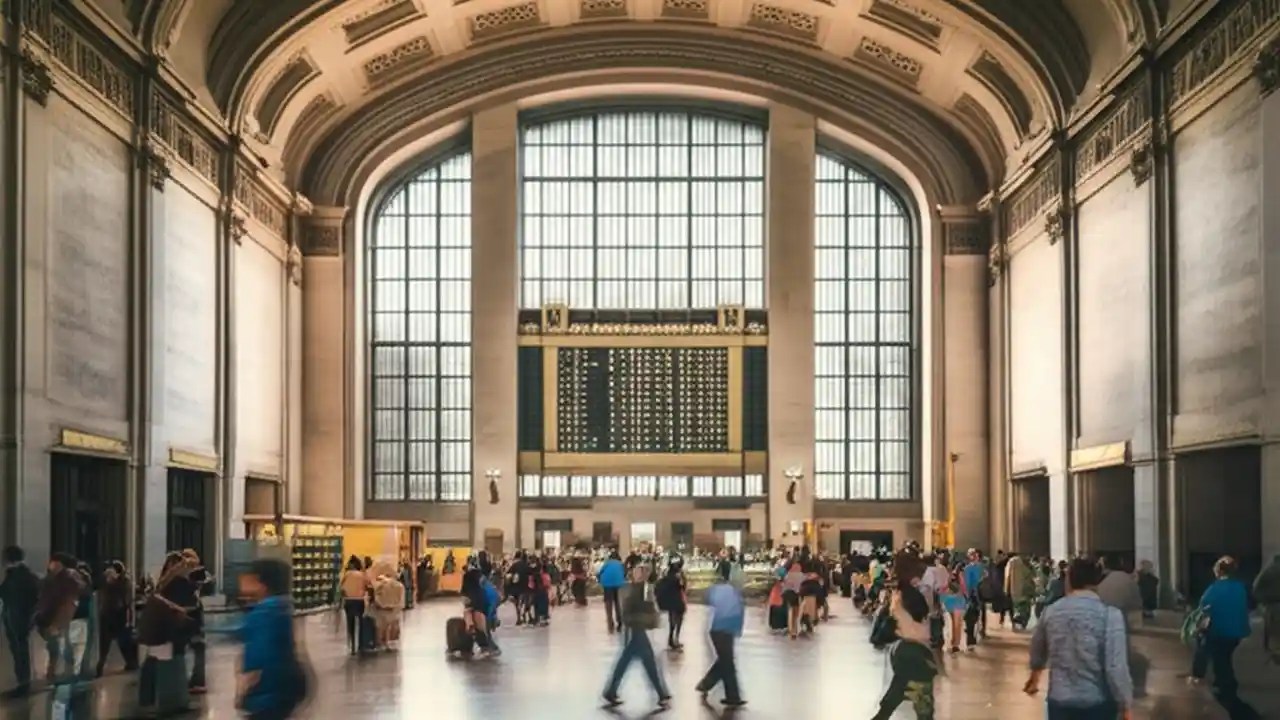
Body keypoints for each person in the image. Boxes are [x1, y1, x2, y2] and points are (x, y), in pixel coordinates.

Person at [1024, 557, 1133, 720]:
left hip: (1059, 701)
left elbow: (1037, 649)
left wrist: (1034, 677)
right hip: (1097, 703)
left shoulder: (1051, 612)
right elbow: (1115, 666)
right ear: (1097, 582)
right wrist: (1125, 704)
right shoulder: (1110, 615)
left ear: (1069, 580)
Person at [233, 558, 309, 719]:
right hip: (284, 688)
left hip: (265, 694)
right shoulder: (280, 607)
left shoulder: (264, 612)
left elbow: (259, 653)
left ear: (262, 584)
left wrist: (249, 685)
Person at [1190, 556, 1258, 718]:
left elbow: (1204, 605)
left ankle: (1224, 686)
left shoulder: (1215, 588)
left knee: (1216, 655)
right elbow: (1250, 605)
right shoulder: (1241, 587)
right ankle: (1225, 683)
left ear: (1218, 571)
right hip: (1237, 631)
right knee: (1225, 656)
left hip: (1219, 630)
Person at [602, 565, 670, 709]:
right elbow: (634, 608)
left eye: (645, 572)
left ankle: (611, 691)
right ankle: (661, 693)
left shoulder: (641, 588)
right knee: (647, 661)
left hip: (635, 628)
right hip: (635, 628)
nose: (643, 575)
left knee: (627, 661)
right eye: (640, 572)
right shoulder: (634, 589)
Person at [871, 584, 937, 719]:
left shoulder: (898, 610)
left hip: (906, 652)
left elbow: (879, 638)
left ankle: (881, 715)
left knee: (899, 689)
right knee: (919, 698)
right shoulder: (910, 607)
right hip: (914, 653)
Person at [696, 572, 745, 707]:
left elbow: (706, 601)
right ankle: (732, 696)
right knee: (727, 662)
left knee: (725, 661)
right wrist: (738, 630)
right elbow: (739, 613)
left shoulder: (716, 591)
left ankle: (706, 685)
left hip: (717, 629)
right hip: (726, 630)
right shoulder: (735, 594)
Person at [34, 552, 85, 684]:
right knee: (56, 647)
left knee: (62, 647)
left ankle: (67, 674)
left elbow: (68, 603)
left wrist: (57, 623)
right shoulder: (55, 578)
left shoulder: (67, 578)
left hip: (60, 620)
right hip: (53, 619)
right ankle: (57, 673)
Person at [0, 545, 40, 697]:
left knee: (20, 651)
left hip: (18, 618)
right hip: (16, 618)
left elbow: (8, 593)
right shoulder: (20, 574)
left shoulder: (19, 576)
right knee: (18, 651)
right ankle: (22, 682)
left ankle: (23, 684)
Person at [95, 560, 138, 677]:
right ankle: (101, 665)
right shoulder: (107, 582)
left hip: (118, 614)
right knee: (107, 642)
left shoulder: (124, 582)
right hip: (110, 614)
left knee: (122, 641)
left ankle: (131, 663)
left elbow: (126, 600)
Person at [1253, 553, 1280, 663]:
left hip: (1272, 604)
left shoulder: (1269, 571)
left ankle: (1276, 653)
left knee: (1274, 632)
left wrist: (1263, 600)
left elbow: (1256, 588)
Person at [654, 563, 687, 651]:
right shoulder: (678, 578)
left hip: (669, 603)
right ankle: (675, 639)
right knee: (678, 620)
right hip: (677, 602)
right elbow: (683, 587)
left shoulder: (666, 577)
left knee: (672, 622)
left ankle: (671, 639)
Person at [340, 556, 369, 655]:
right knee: (361, 622)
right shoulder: (362, 575)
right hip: (359, 601)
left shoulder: (347, 574)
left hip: (349, 601)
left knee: (350, 623)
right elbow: (368, 586)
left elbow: (341, 587)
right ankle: (361, 645)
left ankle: (352, 645)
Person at [597, 550, 626, 633]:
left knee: (608, 605)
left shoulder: (606, 563)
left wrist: (601, 581)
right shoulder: (621, 564)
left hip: (607, 585)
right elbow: (625, 574)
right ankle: (620, 623)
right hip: (619, 585)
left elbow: (599, 573)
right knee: (618, 604)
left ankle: (610, 625)